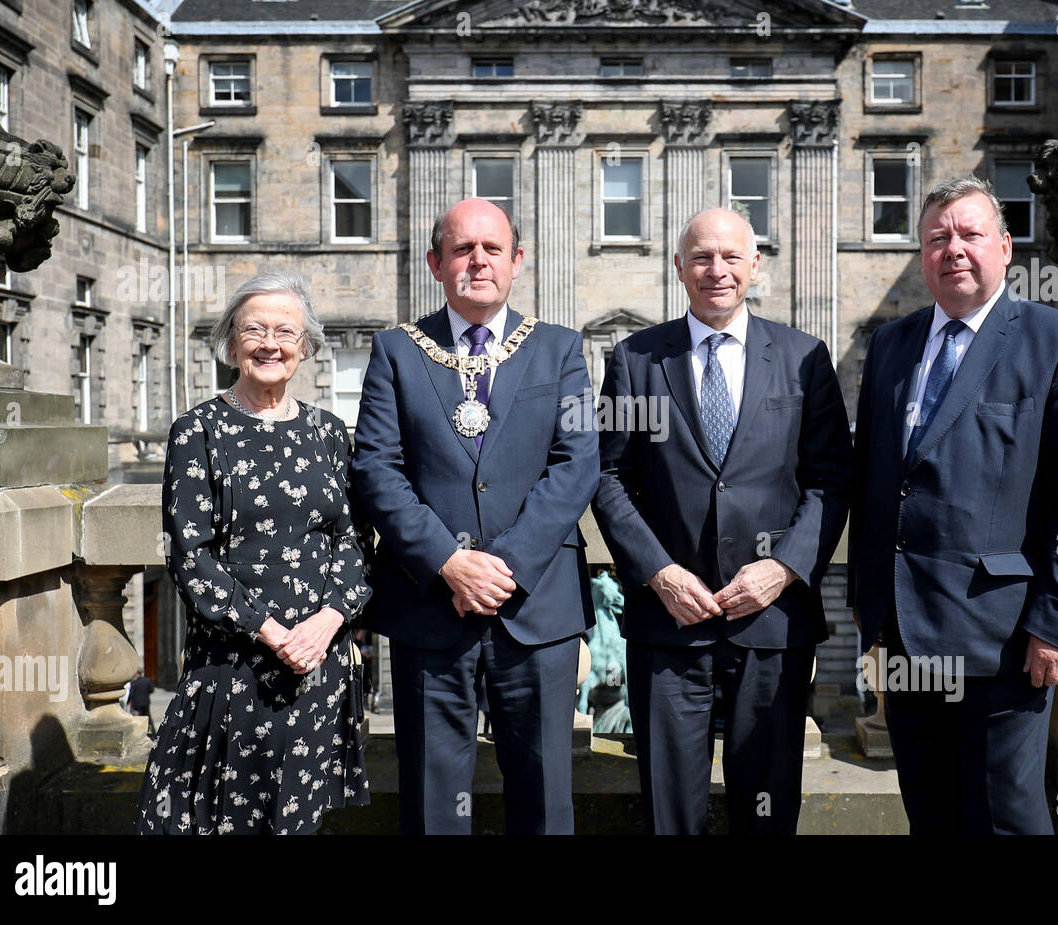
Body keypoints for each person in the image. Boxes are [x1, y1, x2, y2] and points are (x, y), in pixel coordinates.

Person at [847, 176, 1058, 834]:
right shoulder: (890, 344)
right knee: (932, 814)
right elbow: (873, 478)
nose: (955, 249)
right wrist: (867, 602)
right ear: (922, 255)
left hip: (1000, 635)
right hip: (905, 636)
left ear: (1003, 246)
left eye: (971, 234)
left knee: (1006, 818)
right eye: (938, 238)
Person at [591, 208, 853, 834]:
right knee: (669, 809)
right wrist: (658, 573)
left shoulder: (804, 358)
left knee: (767, 803)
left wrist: (784, 567)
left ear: (755, 264)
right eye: (702, 258)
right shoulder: (635, 360)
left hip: (771, 618)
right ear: (679, 267)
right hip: (669, 620)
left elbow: (831, 479)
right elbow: (607, 476)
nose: (717, 271)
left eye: (732, 257)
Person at [351, 198, 598, 835]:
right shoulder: (396, 352)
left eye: (493, 249)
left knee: (545, 798)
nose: (478, 261)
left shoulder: (561, 350)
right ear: (437, 263)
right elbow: (377, 468)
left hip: (536, 608)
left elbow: (576, 467)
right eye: (463, 249)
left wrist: (501, 569)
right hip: (428, 607)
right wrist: (450, 563)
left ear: (518, 261)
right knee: (433, 800)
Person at [136, 272, 372, 835]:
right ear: (231, 342)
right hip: (234, 666)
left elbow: (356, 540)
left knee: (299, 819)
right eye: (255, 330)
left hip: (319, 664)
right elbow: (189, 554)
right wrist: (272, 632)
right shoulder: (198, 430)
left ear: (307, 346)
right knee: (224, 821)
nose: (271, 344)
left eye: (285, 331)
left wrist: (327, 622)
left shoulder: (330, 432)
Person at [126, 668, 155, 736]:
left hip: (137, 704)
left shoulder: (133, 683)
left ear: (136, 674)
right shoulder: (147, 680)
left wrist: (128, 702)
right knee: (148, 718)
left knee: (139, 718)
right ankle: (150, 732)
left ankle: (141, 732)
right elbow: (151, 690)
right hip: (146, 702)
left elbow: (131, 694)